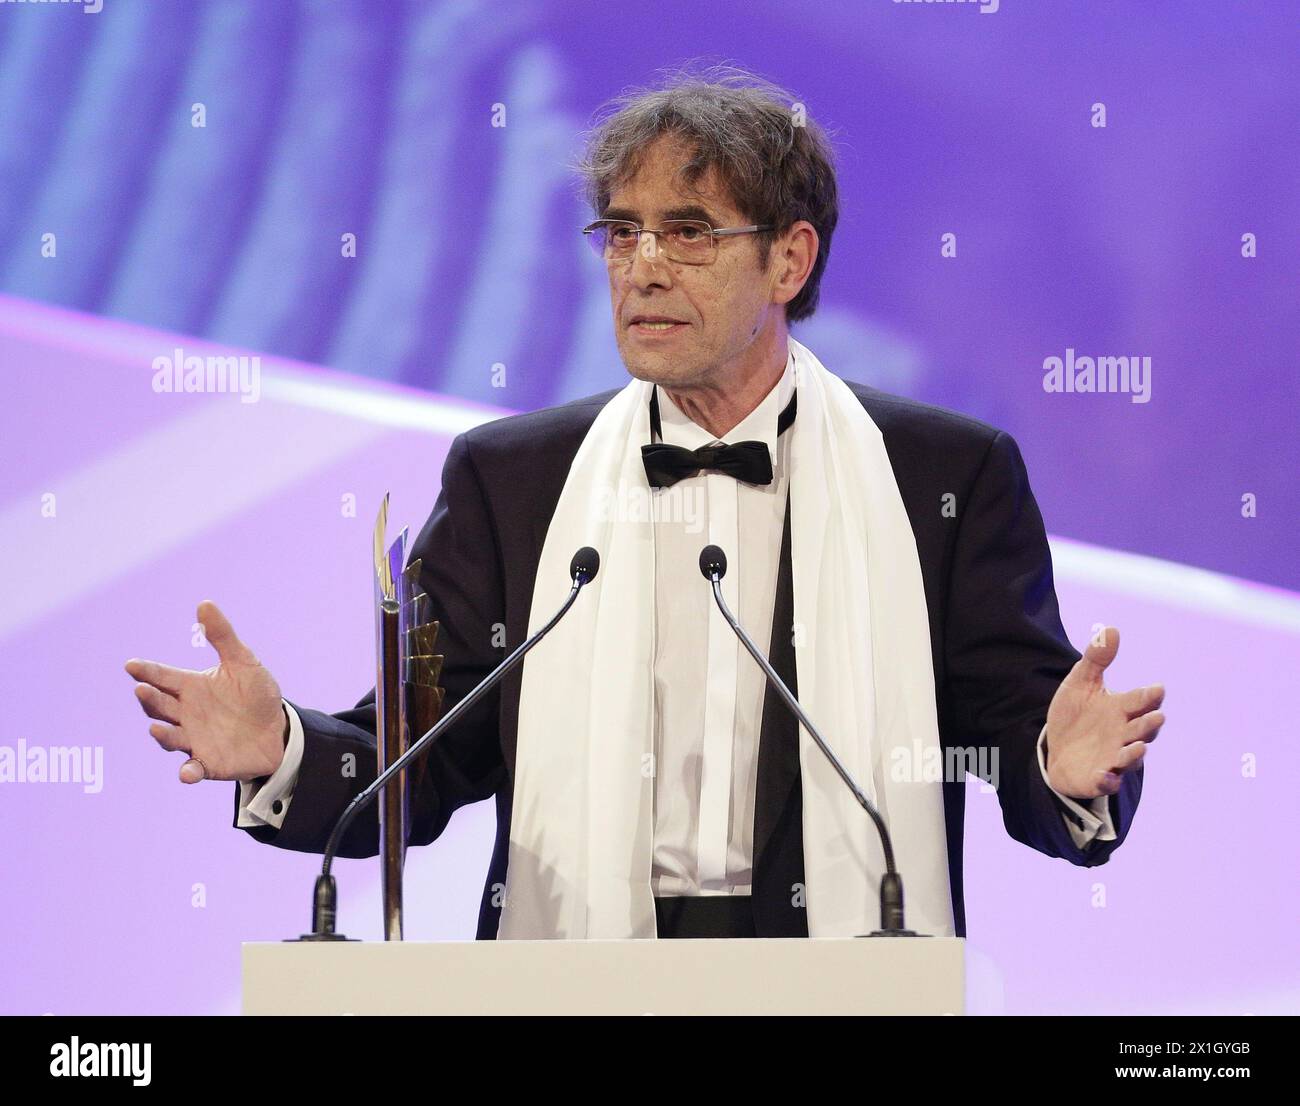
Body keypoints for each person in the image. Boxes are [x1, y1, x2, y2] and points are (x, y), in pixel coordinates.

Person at [124, 67, 1164, 941]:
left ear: (788, 259)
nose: (645, 267)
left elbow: (1014, 732)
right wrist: (287, 750)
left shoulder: (944, 473)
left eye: (690, 231)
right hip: (573, 969)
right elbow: (425, 759)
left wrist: (1067, 767)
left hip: (837, 968)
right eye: (621, 233)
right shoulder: (511, 479)